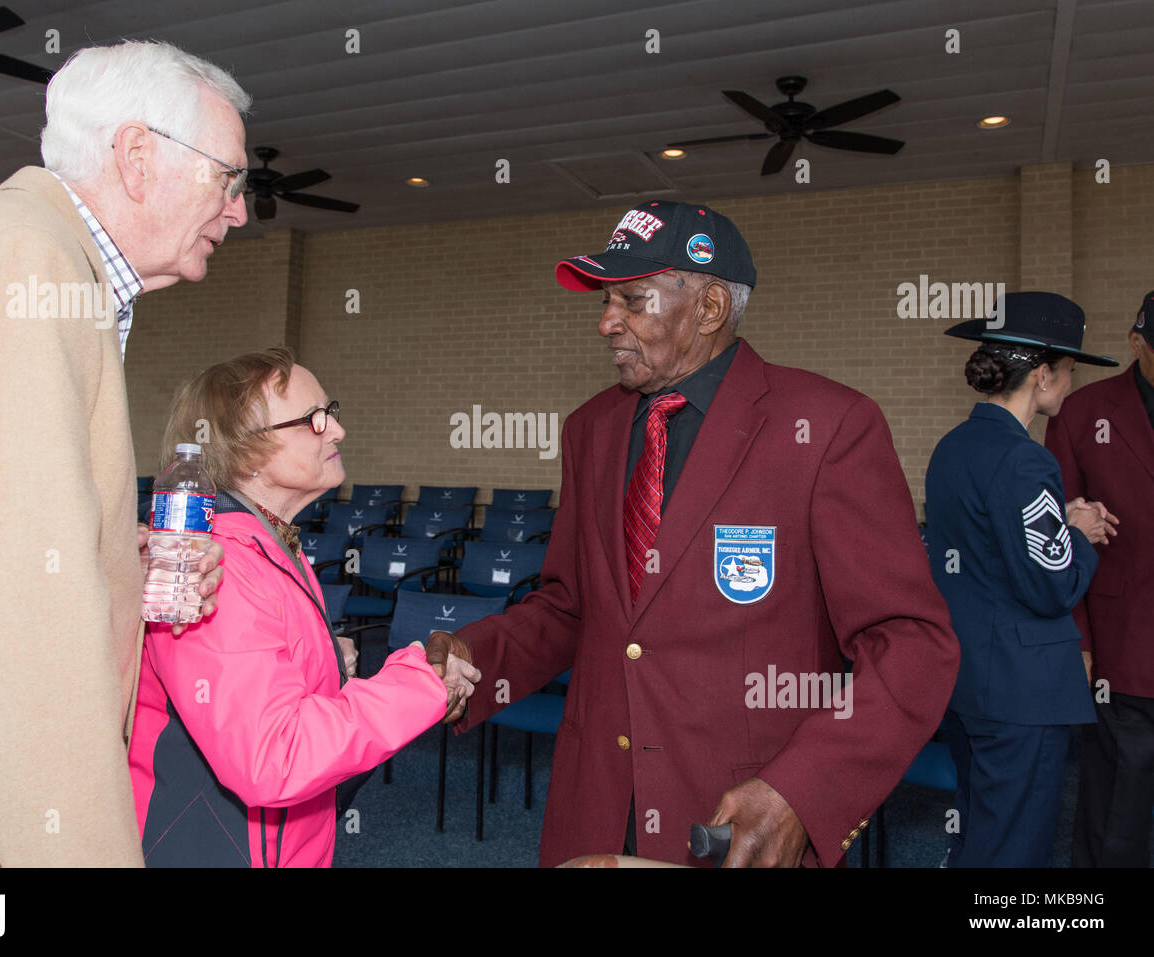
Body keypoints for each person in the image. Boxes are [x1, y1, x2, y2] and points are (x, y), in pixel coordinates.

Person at [437, 200, 962, 868]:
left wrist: (802, 791)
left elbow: (913, 644)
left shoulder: (827, 426)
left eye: (632, 299)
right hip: (594, 812)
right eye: (604, 301)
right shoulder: (590, 429)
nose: (606, 323)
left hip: (739, 821)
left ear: (710, 308)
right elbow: (571, 607)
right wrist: (470, 659)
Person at [0, 41, 247, 866]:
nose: (240, 211)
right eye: (228, 177)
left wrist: (110, 564)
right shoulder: (19, 262)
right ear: (137, 157)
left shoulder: (20, 252)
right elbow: (11, 619)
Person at [128, 348, 475, 866]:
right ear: (246, 451)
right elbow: (275, 757)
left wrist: (320, 659)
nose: (335, 430)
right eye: (314, 420)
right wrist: (419, 684)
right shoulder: (213, 563)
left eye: (330, 413)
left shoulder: (269, 544)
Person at [924, 291, 1118, 867]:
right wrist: (1080, 533)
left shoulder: (953, 446)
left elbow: (990, 550)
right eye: (1069, 370)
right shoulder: (1026, 459)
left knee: (977, 833)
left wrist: (1062, 524)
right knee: (1013, 849)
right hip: (1022, 692)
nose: (1071, 382)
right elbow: (1051, 586)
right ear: (1041, 373)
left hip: (967, 679)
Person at [1047, 290, 1154, 867]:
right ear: (1138, 341)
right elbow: (1056, 541)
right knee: (1118, 813)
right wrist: (1079, 642)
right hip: (1124, 645)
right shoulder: (1085, 414)